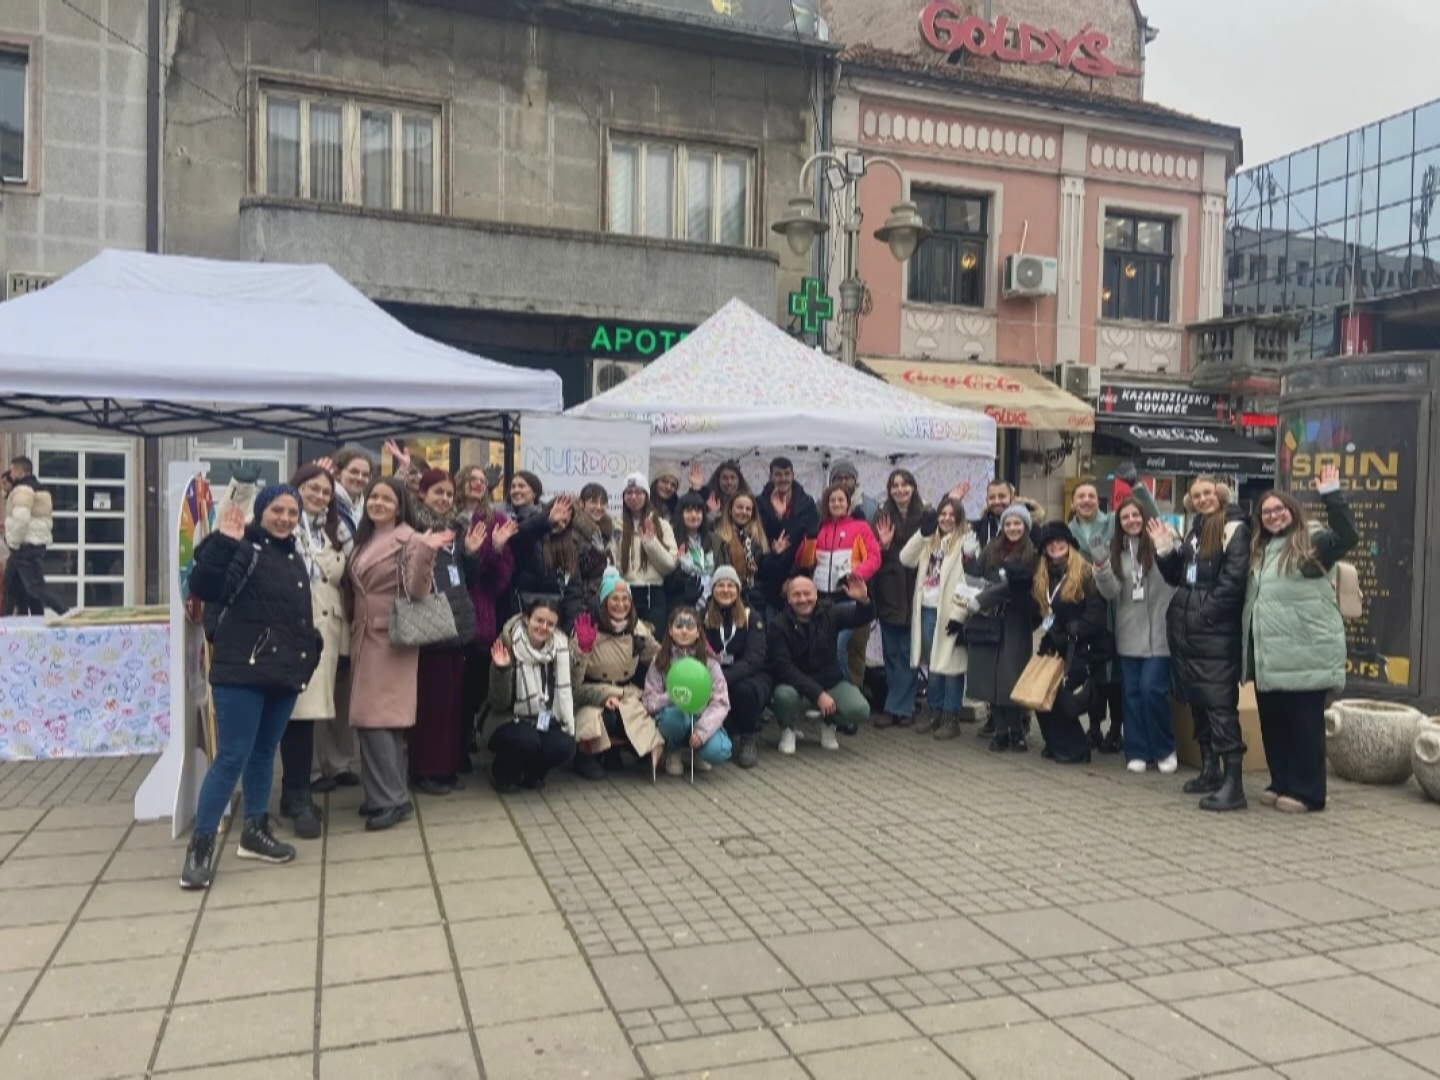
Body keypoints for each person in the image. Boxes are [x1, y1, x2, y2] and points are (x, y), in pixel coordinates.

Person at [180, 486, 321, 890]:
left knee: (263, 754)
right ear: (261, 512)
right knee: (231, 758)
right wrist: (225, 542)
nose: (285, 518)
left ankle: (254, 832)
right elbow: (206, 586)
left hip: (282, 672)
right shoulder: (244, 546)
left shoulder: (292, 553)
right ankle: (200, 849)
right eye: (277, 510)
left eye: (293, 512)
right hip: (242, 670)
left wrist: (309, 653)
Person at [1242, 465, 1357, 813]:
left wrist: (1333, 495)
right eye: (1266, 512)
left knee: (1304, 726)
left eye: (1280, 509)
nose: (1274, 516)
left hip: (1304, 651)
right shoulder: (1260, 550)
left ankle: (1308, 792)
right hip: (1270, 655)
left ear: (1292, 511)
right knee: (1274, 723)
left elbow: (1347, 535)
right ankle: (1282, 781)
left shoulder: (1311, 542)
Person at [346, 476, 449, 830]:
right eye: (373, 496)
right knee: (377, 722)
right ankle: (387, 795)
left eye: (386, 498)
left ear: (399, 504)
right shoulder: (364, 540)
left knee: (378, 720)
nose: (378, 503)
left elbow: (417, 590)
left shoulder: (411, 539)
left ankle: (390, 799)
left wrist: (426, 552)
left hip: (390, 636)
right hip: (364, 636)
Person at [1155, 477, 1251, 811]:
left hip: (1213, 634)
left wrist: (1204, 615)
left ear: (1219, 495)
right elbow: (1178, 576)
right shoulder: (1196, 530)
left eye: (1208, 493)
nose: (1203, 499)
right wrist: (1165, 551)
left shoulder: (1233, 529)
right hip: (1188, 634)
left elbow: (1233, 581)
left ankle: (1234, 784)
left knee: (1220, 707)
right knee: (1199, 704)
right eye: (1196, 496)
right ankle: (1210, 771)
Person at [278, 464, 347, 840]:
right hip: (291, 632)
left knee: (305, 717)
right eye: (311, 488)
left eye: (325, 491)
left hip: (323, 635)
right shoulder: (286, 523)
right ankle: (297, 796)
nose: (319, 496)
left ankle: (295, 793)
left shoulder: (330, 530)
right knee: (294, 716)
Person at [408, 469, 486, 796]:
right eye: (437, 492)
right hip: (429, 625)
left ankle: (447, 767)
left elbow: (467, 578)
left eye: (449, 494)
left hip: (455, 624)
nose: (444, 499)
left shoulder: (456, 530)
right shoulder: (415, 529)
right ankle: (426, 770)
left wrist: (470, 553)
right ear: (423, 495)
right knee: (431, 704)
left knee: (452, 703)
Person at [1069, 468, 1155, 754]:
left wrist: (1137, 487)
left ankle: (1116, 728)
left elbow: (1147, 516)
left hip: (1117, 605)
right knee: (1095, 670)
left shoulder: (1112, 525)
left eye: (1091, 496)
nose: (1086, 501)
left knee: (1116, 671)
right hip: (1085, 608)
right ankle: (1094, 726)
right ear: (1072, 503)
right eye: (1080, 496)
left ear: (1099, 501)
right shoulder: (1067, 533)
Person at [1093, 497, 1179, 774]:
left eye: (1135, 515)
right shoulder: (1117, 551)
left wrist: (1165, 545)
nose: (1131, 521)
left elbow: (1175, 573)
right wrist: (1102, 567)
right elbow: (1111, 592)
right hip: (1129, 633)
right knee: (1131, 695)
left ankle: (1164, 748)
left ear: (1144, 516)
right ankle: (1137, 749)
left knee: (1152, 690)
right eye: (1125, 517)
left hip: (1160, 632)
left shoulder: (1161, 540)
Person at [898, 497, 980, 739]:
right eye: (942, 514)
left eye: (950, 514)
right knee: (934, 664)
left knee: (951, 666)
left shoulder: (966, 541)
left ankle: (950, 716)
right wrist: (922, 534)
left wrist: (959, 614)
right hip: (926, 608)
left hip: (950, 611)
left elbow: (971, 581)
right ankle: (933, 712)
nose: (946, 518)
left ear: (959, 516)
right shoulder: (930, 542)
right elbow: (905, 558)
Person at [571, 570, 665, 780]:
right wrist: (582, 651)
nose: (620, 604)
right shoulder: (587, 627)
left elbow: (660, 657)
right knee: (606, 717)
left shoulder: (637, 629)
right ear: (604, 601)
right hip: (591, 691)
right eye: (614, 598)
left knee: (643, 715)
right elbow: (572, 681)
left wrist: (687, 654)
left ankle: (615, 752)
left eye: (626, 599)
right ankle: (586, 756)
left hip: (625, 690)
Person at [313, 449, 369, 791]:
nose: (360, 479)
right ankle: (312, 770)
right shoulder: (328, 506)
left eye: (365, 474)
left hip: (354, 608)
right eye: (354, 472)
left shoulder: (365, 508)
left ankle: (338, 763)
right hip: (327, 604)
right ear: (340, 473)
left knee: (343, 688)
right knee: (317, 688)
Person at [1030, 523, 1110, 763]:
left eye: (1060, 542)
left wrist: (1076, 629)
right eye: (1050, 543)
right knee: (1042, 694)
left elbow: (1097, 611)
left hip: (1081, 644)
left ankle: (1076, 749)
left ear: (1069, 544)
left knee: (1064, 697)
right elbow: (1043, 611)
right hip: (1056, 641)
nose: (1056, 546)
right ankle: (1056, 743)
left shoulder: (1084, 572)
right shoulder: (1044, 574)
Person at [768, 574, 874, 754]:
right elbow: (784, 668)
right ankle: (788, 728)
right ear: (788, 598)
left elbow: (860, 617)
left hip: (830, 682)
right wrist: (818, 695)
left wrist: (863, 601)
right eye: (796, 595)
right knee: (783, 697)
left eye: (807, 593)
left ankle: (829, 724)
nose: (803, 599)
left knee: (860, 708)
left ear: (816, 594)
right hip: (794, 686)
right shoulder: (778, 625)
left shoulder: (830, 612)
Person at [965, 504, 1039, 752]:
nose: (1013, 528)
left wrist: (984, 599)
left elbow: (1020, 587)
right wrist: (968, 559)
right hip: (990, 620)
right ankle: (1000, 731)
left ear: (1025, 526)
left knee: (1011, 677)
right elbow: (977, 577)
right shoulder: (991, 550)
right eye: (1008, 523)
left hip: (1017, 622)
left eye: (1018, 523)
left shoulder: (1032, 554)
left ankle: (1017, 730)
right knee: (990, 677)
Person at [458, 469, 517, 769]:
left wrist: (494, 548)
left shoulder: (498, 522)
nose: (478, 483)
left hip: (481, 609)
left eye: (483, 480)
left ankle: (467, 732)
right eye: (472, 478)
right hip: (447, 607)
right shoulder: (449, 516)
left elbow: (500, 580)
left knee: (476, 681)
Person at [487, 598, 577, 792]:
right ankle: (503, 775)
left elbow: (572, 687)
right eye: (539, 620)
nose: (543, 627)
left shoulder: (560, 649)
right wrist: (501, 670)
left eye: (550, 623)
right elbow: (498, 703)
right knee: (526, 739)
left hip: (542, 718)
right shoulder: (508, 644)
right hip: (507, 718)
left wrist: (582, 656)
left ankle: (532, 774)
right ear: (527, 619)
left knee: (565, 744)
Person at [799, 482, 881, 680]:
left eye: (840, 500)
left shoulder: (860, 527)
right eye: (832, 500)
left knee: (838, 648)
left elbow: (875, 557)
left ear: (848, 503)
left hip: (847, 597)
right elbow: (804, 561)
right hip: (821, 599)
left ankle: (846, 692)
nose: (836, 503)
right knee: (821, 648)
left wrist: (856, 575)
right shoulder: (819, 528)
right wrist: (810, 539)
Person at [644, 606, 733, 775]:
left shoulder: (710, 663)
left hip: (701, 718)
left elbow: (721, 702)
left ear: (698, 631)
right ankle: (672, 751)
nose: (684, 631)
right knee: (675, 719)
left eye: (690, 627)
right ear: (670, 630)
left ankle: (697, 752)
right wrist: (672, 696)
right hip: (673, 716)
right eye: (679, 626)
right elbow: (648, 701)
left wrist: (702, 732)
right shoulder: (660, 661)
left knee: (720, 750)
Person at [870, 470, 927, 728]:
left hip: (916, 591)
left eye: (905, 485)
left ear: (913, 488)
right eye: (895, 485)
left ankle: (897, 708)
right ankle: (902, 707)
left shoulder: (925, 515)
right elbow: (872, 555)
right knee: (891, 654)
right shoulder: (881, 517)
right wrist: (882, 545)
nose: (900, 490)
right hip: (889, 591)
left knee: (908, 653)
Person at [704, 566, 770, 769]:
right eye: (720, 585)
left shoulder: (752, 617)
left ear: (738, 590)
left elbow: (754, 658)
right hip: (715, 676)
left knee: (742, 690)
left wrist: (723, 678)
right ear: (713, 589)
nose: (725, 590)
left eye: (730, 585)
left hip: (749, 677)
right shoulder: (702, 617)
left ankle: (748, 737)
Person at [508, 492, 586, 631]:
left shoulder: (570, 548)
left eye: (565, 521)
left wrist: (570, 629)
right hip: (522, 615)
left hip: (554, 620)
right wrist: (547, 522)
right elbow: (519, 536)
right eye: (557, 518)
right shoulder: (532, 538)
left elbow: (573, 592)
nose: (560, 524)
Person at [611, 472, 678, 631]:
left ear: (646, 495)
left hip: (653, 594)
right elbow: (614, 564)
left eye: (638, 492)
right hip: (624, 593)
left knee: (653, 646)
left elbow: (670, 565)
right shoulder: (616, 525)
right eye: (629, 492)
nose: (633, 497)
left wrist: (651, 542)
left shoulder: (662, 526)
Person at [2, 456, 67, 616]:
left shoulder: (23, 490)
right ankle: (8, 623)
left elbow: (21, 519)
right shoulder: (40, 489)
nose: (10, 474)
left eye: (12, 470)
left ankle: (64, 612)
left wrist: (14, 542)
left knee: (35, 588)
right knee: (11, 586)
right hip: (32, 544)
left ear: (19, 471)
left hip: (25, 546)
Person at [712, 491, 781, 614]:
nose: (744, 512)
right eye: (739, 507)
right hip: (727, 596)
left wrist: (774, 555)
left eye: (748, 509)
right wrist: (712, 514)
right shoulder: (718, 536)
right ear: (730, 510)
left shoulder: (758, 537)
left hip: (756, 599)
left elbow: (765, 572)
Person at [755, 457, 820, 579]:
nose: (783, 478)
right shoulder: (760, 503)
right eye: (778, 475)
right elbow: (759, 536)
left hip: (799, 571)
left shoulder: (807, 503)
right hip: (769, 571)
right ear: (770, 477)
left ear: (793, 475)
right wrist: (779, 519)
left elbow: (811, 536)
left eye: (787, 474)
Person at [666, 492, 715, 610]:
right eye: (688, 511)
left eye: (698, 511)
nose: (694, 515)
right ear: (680, 514)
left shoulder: (714, 540)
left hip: (710, 604)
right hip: (681, 603)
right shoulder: (670, 537)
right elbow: (667, 581)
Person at [577, 482, 615, 607]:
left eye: (602, 503)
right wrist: (599, 554)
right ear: (581, 504)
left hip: (602, 596)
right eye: (593, 502)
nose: (599, 507)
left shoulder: (607, 532)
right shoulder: (574, 529)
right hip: (581, 597)